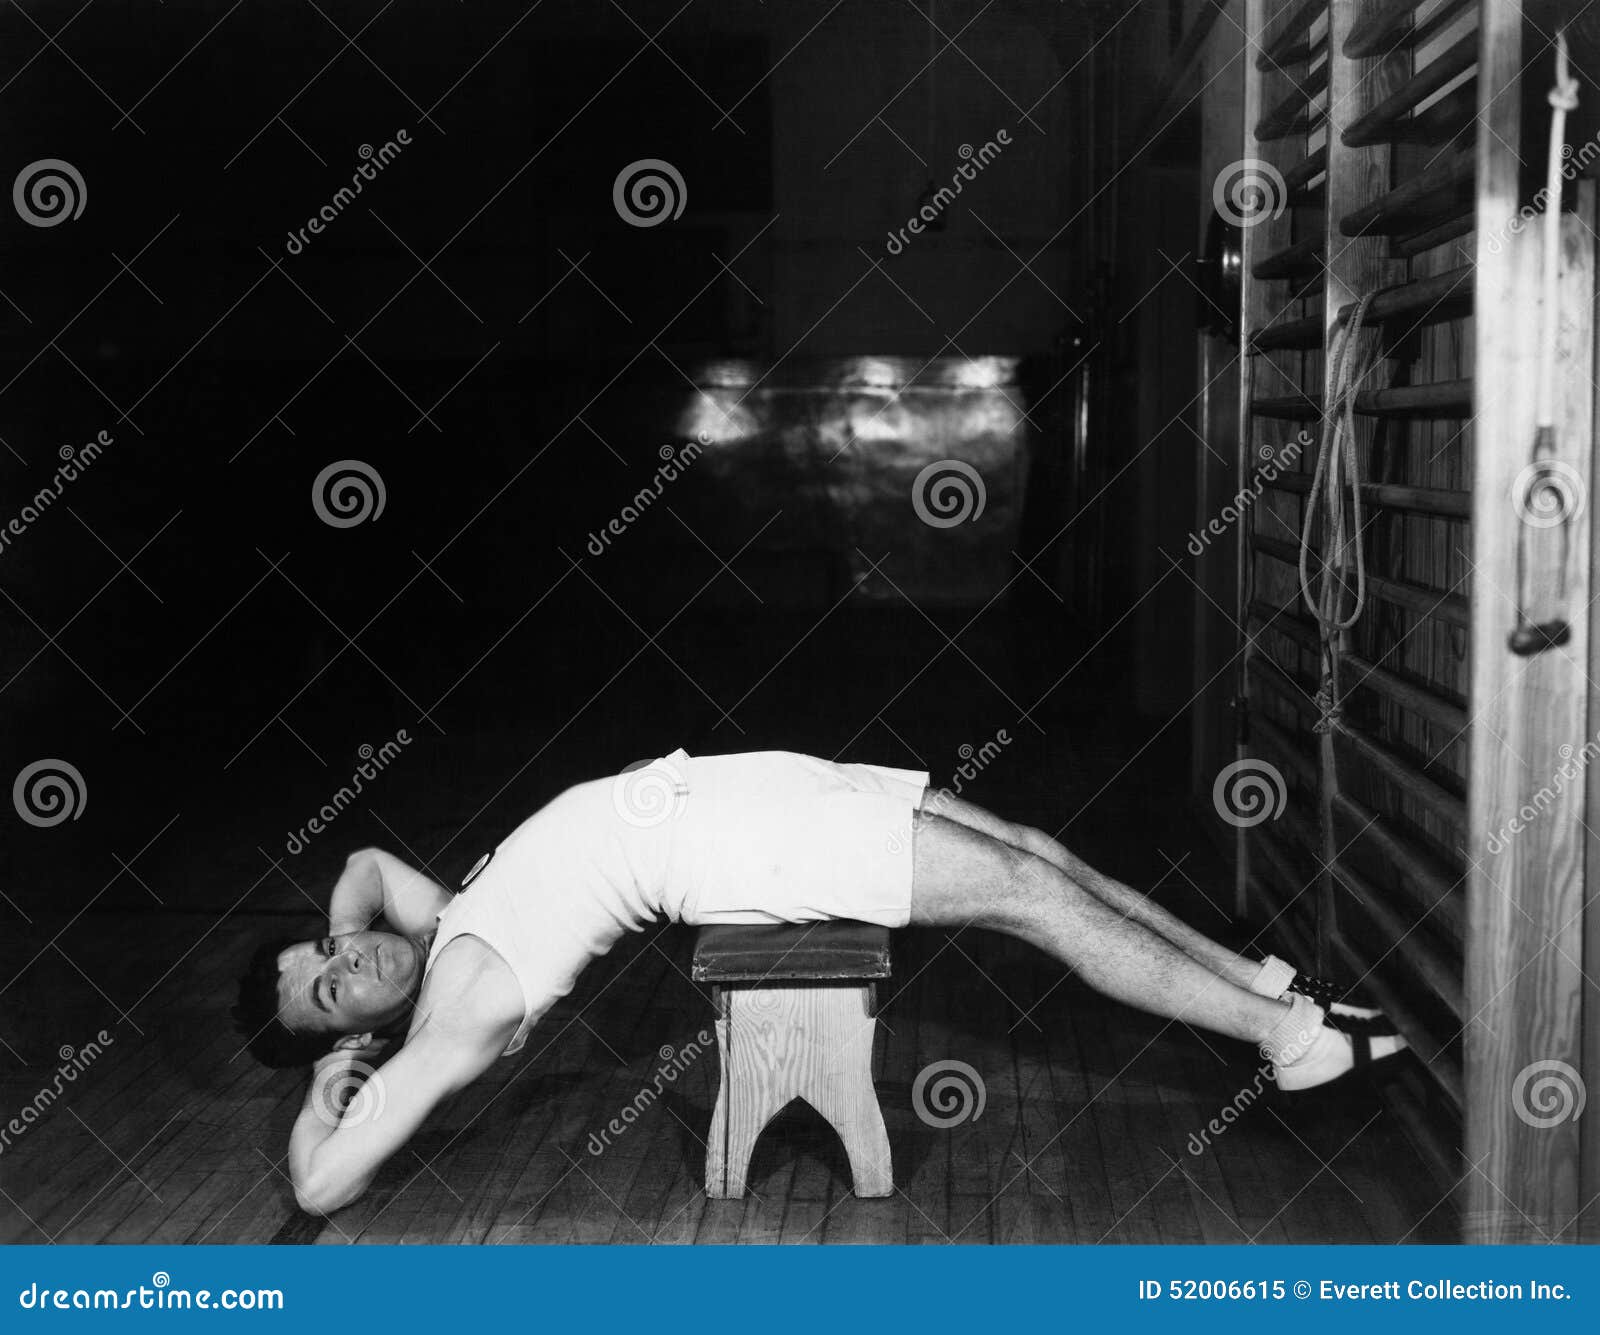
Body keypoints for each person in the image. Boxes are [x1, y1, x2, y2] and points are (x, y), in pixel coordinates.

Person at [232, 748, 1404, 1216]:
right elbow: (320, 1186)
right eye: (335, 989)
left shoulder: (434, 926)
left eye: (329, 948)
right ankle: (1288, 1045)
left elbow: (364, 865)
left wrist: (325, 963)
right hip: (745, 855)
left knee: (1040, 853)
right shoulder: (451, 1013)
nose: (351, 955)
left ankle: (1274, 990)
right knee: (1035, 903)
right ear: (366, 1036)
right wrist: (336, 1078)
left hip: (751, 788)